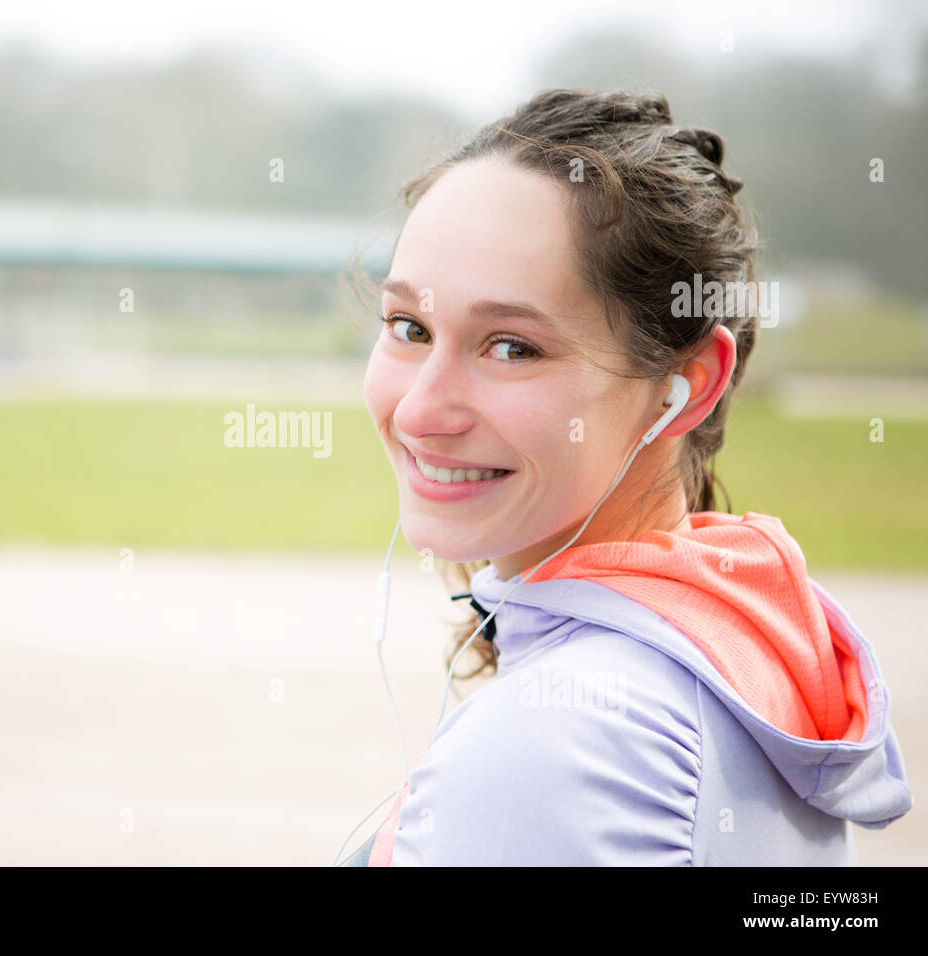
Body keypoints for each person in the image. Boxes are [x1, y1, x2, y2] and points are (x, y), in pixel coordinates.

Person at [342, 89, 912, 865]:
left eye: (511, 347)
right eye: (409, 329)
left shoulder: (557, 749)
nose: (419, 411)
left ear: (687, 384)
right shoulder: (739, 641)